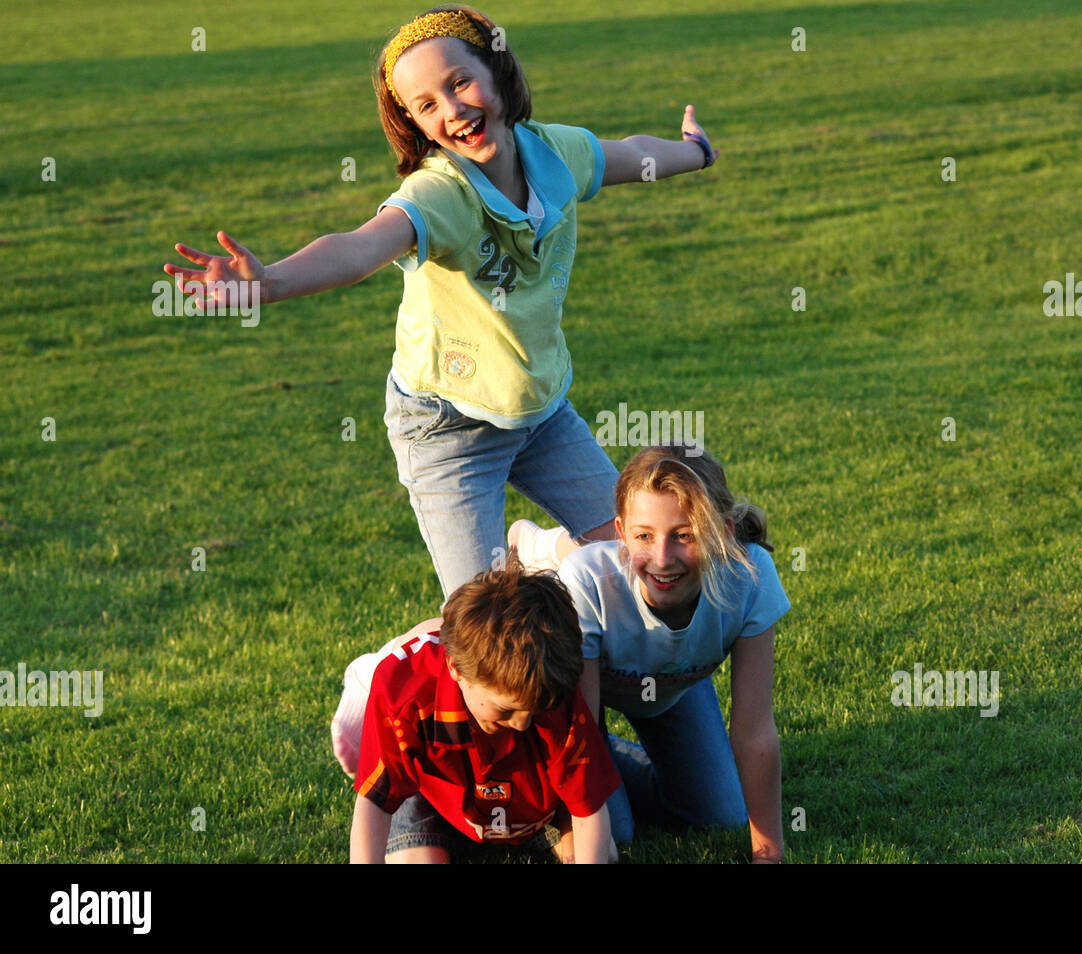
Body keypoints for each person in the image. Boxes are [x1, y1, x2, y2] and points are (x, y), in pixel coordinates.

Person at [162, 5, 719, 605]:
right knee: (485, 620)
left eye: (459, 82)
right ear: (414, 123)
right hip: (446, 425)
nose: (452, 109)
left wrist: (695, 152)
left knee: (630, 567)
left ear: (498, 70)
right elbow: (359, 248)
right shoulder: (438, 193)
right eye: (426, 104)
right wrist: (269, 281)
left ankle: (546, 553)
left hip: (539, 407)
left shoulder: (556, 154)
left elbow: (630, 156)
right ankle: (527, 579)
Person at [520, 444, 790, 863]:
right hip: (583, 689)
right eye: (644, 536)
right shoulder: (590, 581)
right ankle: (542, 549)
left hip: (665, 681)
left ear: (724, 532)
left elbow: (754, 731)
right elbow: (583, 730)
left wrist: (768, 853)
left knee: (720, 814)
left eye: (684, 536)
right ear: (622, 531)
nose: (663, 560)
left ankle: (631, 757)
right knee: (617, 831)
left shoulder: (749, 577)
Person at [343, 560, 620, 863]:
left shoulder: (549, 683)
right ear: (456, 670)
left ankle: (612, 759)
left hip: (535, 801)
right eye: (506, 710)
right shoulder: (405, 688)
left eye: (537, 710)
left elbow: (590, 812)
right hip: (435, 793)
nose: (523, 723)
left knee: (602, 852)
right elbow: (375, 802)